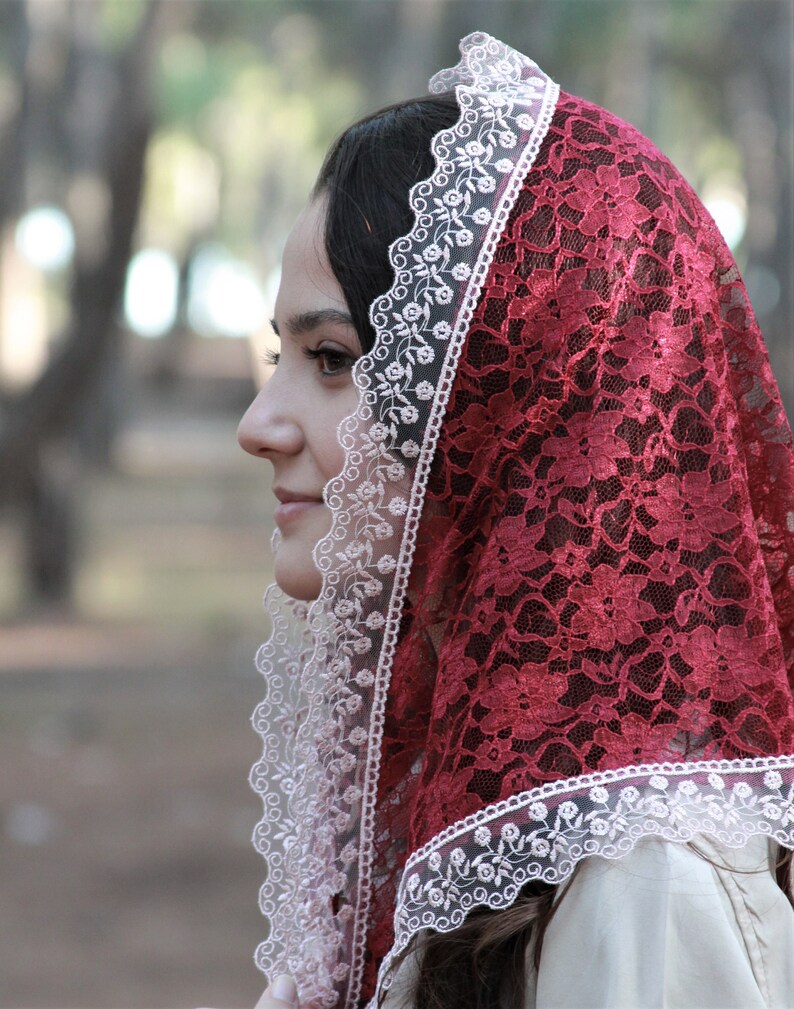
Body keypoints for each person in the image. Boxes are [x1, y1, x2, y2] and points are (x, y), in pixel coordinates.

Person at [238, 32, 794, 1009]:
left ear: (505, 397)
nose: (258, 424)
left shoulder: (640, 885)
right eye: (276, 357)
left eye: (330, 359)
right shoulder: (464, 776)